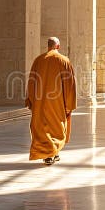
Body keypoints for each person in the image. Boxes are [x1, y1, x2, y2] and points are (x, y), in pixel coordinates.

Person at [25, 37, 77, 166]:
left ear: (48, 46)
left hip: (40, 103)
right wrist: (69, 104)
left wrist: (31, 100)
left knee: (42, 128)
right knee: (56, 128)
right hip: (57, 103)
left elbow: (32, 81)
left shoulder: (38, 60)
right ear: (58, 46)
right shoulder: (64, 60)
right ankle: (52, 153)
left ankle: (50, 154)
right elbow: (70, 84)